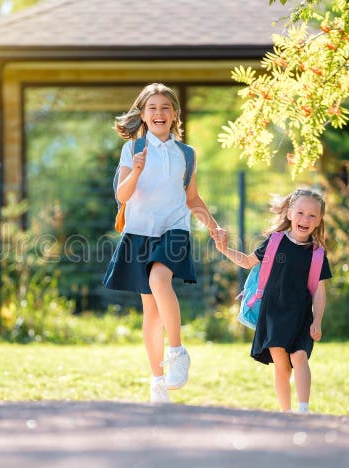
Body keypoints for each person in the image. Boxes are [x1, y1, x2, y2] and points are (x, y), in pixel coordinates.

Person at [103, 83, 220, 404]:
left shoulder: (187, 153)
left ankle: (178, 352)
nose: (159, 113)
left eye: (165, 107)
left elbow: (192, 197)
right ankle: (157, 381)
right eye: (152, 107)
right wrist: (136, 172)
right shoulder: (133, 149)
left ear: (174, 115)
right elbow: (121, 196)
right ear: (142, 113)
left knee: (159, 278)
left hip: (175, 229)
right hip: (140, 232)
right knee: (151, 311)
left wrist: (213, 227)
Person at [212, 188, 332, 413]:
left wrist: (317, 321)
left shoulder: (317, 253)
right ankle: (286, 414)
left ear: (319, 221)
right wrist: (225, 249)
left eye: (312, 216)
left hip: (301, 315)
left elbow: (319, 291)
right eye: (300, 213)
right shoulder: (275, 242)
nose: (305, 219)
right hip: (273, 314)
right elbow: (248, 262)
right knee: (281, 366)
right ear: (289, 214)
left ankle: (303, 411)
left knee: (299, 357)